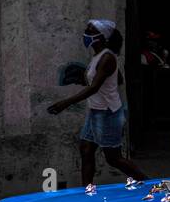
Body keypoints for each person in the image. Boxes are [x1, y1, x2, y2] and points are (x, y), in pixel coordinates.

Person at [48, 18, 148, 186]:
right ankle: (87, 190)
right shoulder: (99, 57)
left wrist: (65, 103)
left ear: (102, 37)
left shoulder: (107, 58)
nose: (85, 34)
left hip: (107, 113)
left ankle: (150, 183)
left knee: (113, 158)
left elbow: (94, 88)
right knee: (86, 150)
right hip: (96, 111)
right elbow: (117, 80)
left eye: (90, 31)